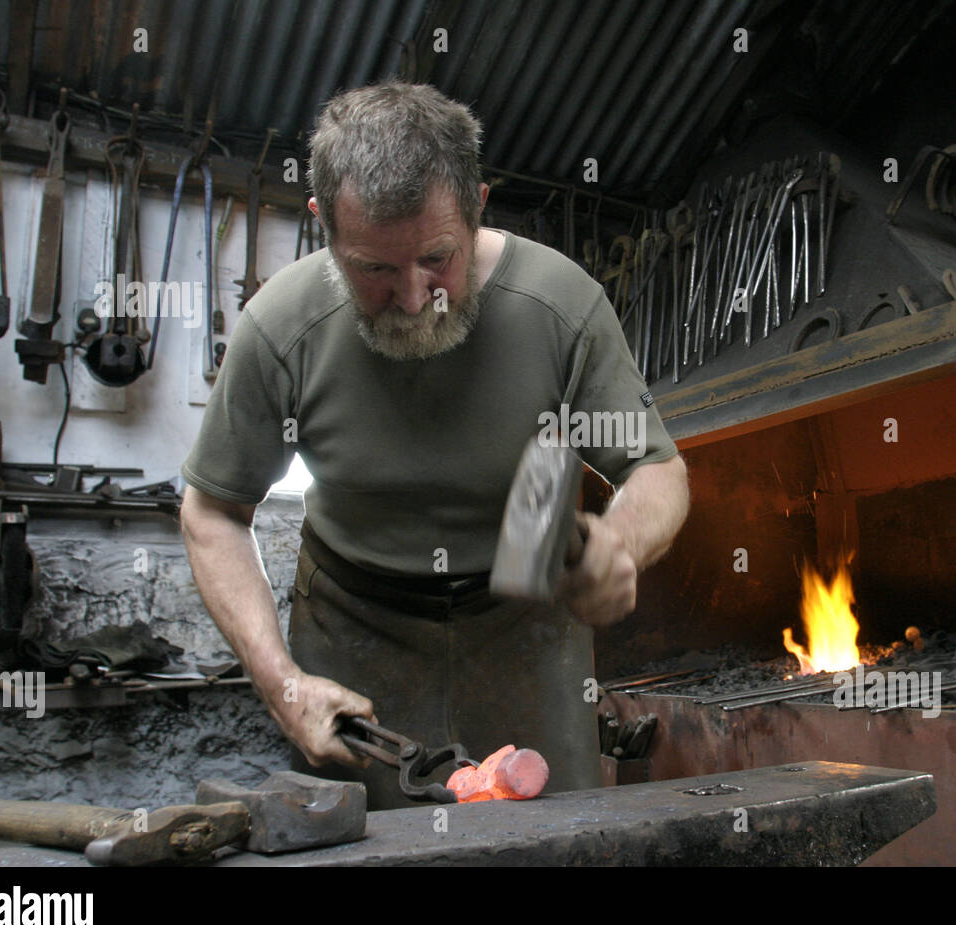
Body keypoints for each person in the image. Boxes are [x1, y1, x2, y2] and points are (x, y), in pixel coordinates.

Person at [179, 82, 689, 809]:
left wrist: (622, 542)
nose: (415, 299)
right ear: (321, 223)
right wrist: (279, 682)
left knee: (552, 848)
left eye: (437, 259)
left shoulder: (561, 306)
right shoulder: (278, 328)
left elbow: (656, 469)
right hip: (352, 634)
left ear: (478, 203)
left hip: (525, 630)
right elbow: (212, 514)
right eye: (375, 270)